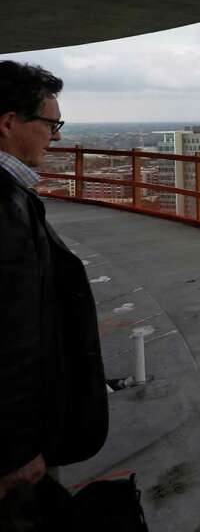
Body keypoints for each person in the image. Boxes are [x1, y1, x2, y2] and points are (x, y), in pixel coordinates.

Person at [0, 61, 108, 525]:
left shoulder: (13, 197)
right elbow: (10, 341)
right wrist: (15, 451)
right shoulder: (4, 208)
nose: (57, 137)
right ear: (8, 123)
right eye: (50, 124)